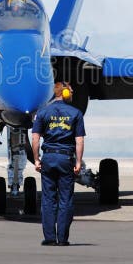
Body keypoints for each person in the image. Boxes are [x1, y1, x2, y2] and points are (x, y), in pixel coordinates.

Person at [32, 81, 86, 246]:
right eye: (71, 92)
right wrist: (78, 162)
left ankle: (49, 238)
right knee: (65, 200)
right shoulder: (76, 113)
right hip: (65, 159)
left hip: (48, 158)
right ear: (65, 94)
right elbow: (79, 141)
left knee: (48, 199)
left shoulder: (42, 112)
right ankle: (62, 239)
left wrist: (36, 159)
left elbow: (35, 138)